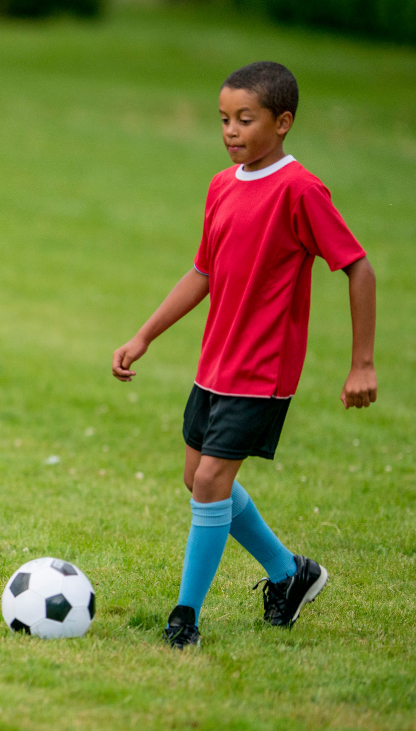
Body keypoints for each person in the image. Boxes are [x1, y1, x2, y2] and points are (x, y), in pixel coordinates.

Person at [112, 62, 377, 648]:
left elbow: (357, 266)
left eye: (245, 119)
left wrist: (362, 363)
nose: (230, 131)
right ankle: (290, 574)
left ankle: (186, 616)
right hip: (216, 363)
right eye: (224, 120)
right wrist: (145, 334)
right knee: (198, 479)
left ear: (282, 123)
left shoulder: (301, 190)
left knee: (210, 481)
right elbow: (203, 270)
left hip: (263, 370)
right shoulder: (222, 185)